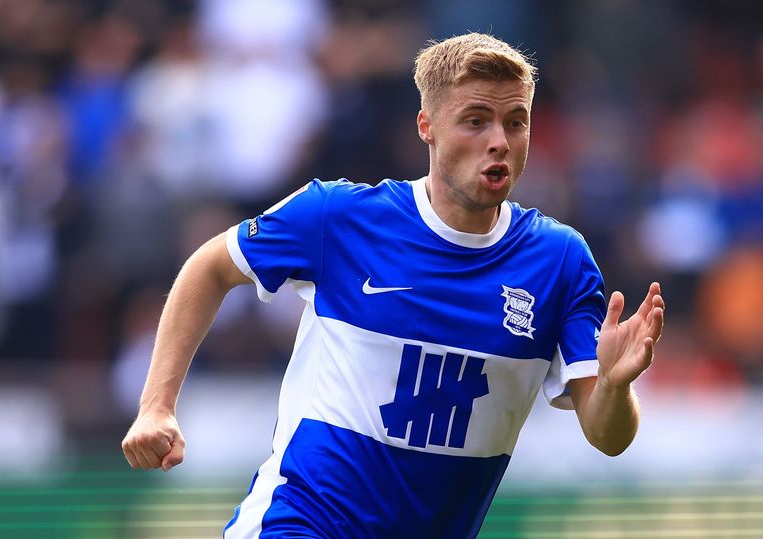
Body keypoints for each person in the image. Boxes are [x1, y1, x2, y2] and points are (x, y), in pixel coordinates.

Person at [121, 32, 665, 538]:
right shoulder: (337, 216)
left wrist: (615, 387)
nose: (499, 141)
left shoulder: (560, 260)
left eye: (515, 122)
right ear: (426, 125)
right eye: (475, 120)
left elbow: (608, 436)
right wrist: (156, 406)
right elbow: (210, 266)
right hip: (302, 521)